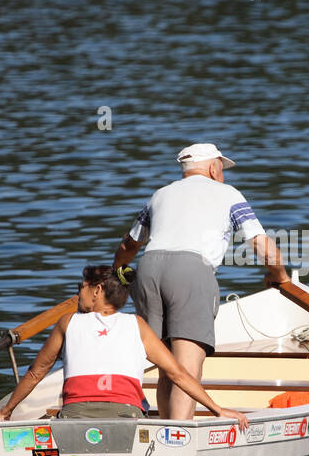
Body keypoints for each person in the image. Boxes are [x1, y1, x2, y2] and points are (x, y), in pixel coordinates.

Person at [112, 143, 290, 420]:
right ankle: (178, 438)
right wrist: (279, 276)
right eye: (222, 167)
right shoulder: (228, 194)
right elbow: (262, 246)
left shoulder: (159, 195)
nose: (224, 174)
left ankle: (166, 429)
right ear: (212, 167)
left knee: (167, 368)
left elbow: (129, 245)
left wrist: (118, 271)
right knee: (186, 369)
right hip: (191, 271)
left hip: (148, 268)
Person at [0, 265, 248, 429]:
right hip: (126, 416)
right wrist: (217, 410)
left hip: (75, 416)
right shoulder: (138, 324)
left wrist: (6, 412)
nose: (78, 295)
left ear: (97, 290)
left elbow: (35, 373)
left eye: (81, 288)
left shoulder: (67, 322)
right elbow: (177, 374)